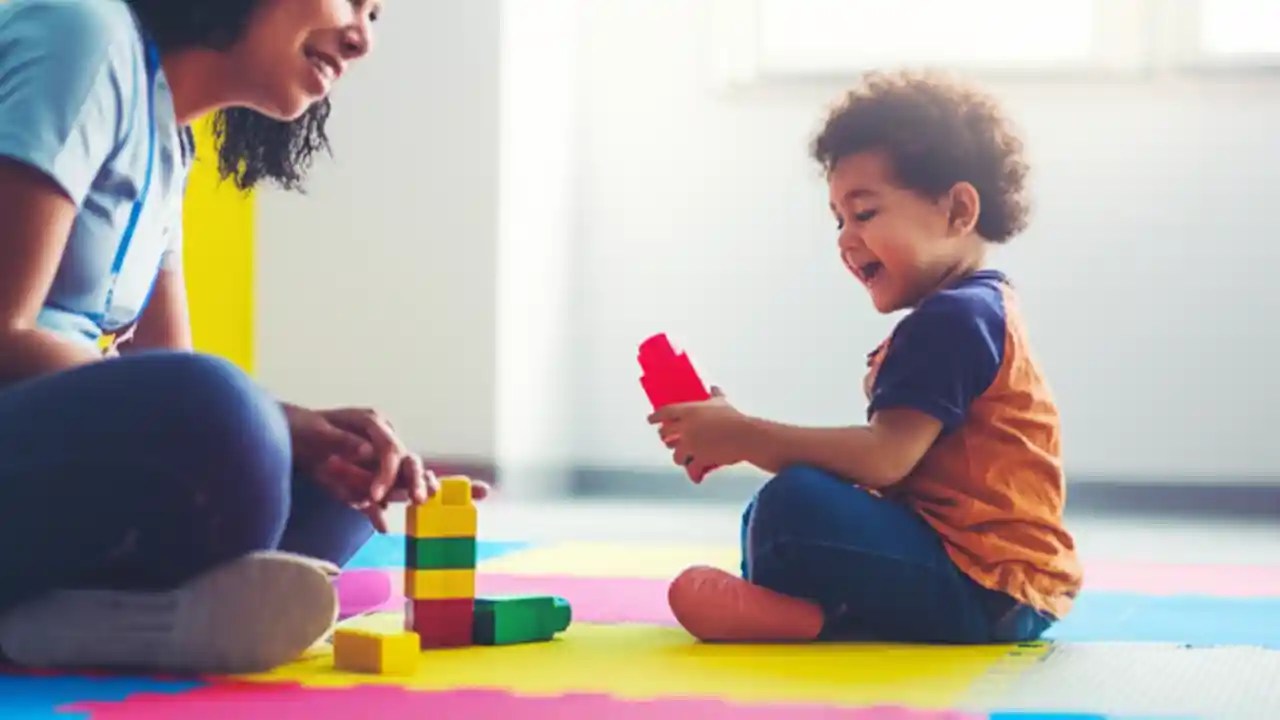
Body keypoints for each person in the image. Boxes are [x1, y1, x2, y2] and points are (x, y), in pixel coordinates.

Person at [0, 0, 488, 674]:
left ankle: (61, 620)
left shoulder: (171, 141)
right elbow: (7, 331)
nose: (362, 39)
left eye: (375, 15)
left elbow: (163, 374)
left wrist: (308, 437)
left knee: (334, 488)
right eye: (352, 0)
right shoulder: (81, 33)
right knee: (230, 419)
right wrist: (268, 421)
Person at [652, 70, 1083, 644]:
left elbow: (885, 459)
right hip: (987, 580)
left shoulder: (955, 318)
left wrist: (744, 436)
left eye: (865, 213)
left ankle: (822, 620)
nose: (844, 238)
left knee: (794, 504)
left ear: (957, 210)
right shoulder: (972, 309)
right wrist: (733, 431)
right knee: (779, 509)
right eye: (838, 219)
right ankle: (801, 611)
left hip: (987, 586)